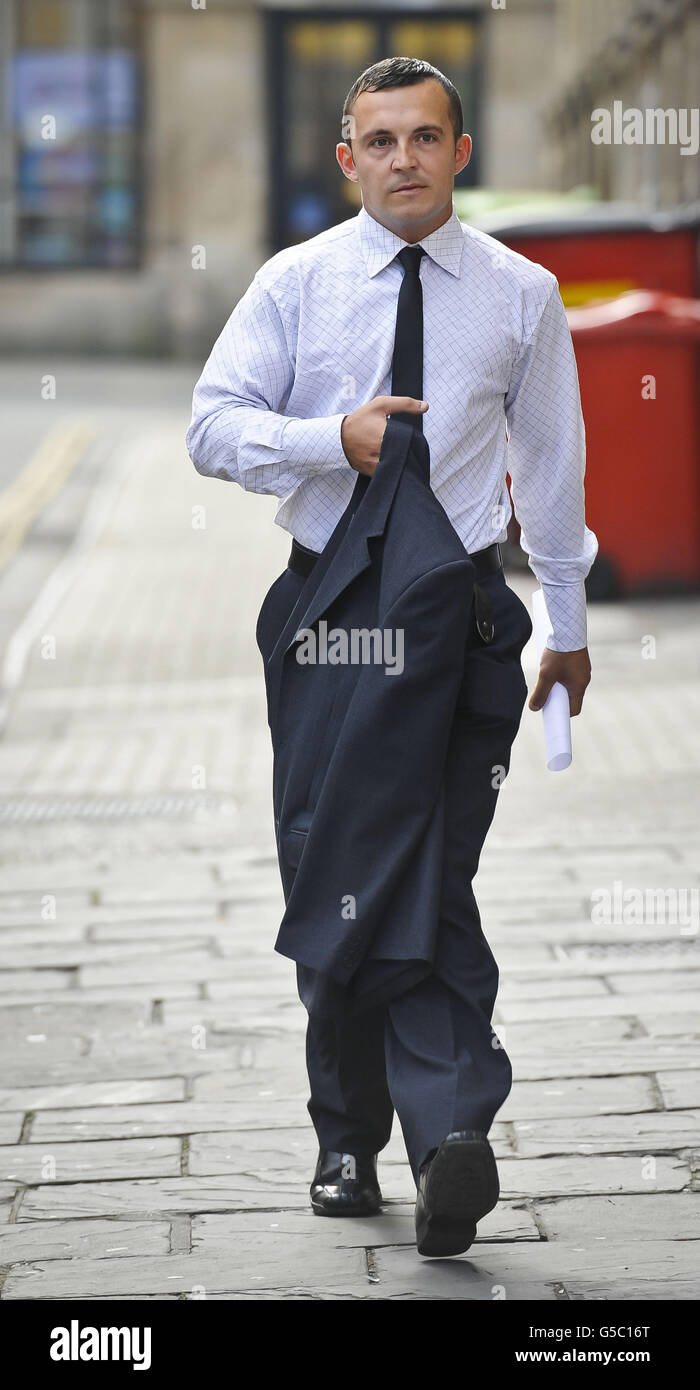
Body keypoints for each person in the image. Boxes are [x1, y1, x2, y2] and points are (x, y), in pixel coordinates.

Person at [186, 56, 598, 1258]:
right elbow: (211, 424)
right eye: (380, 140)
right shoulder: (295, 285)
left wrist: (567, 627)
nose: (403, 159)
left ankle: (440, 1135)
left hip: (461, 618)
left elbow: (554, 467)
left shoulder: (521, 295)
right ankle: (353, 1134)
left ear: (460, 153)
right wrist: (335, 439)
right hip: (329, 612)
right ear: (346, 158)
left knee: (424, 870)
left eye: (426, 137)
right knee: (340, 865)